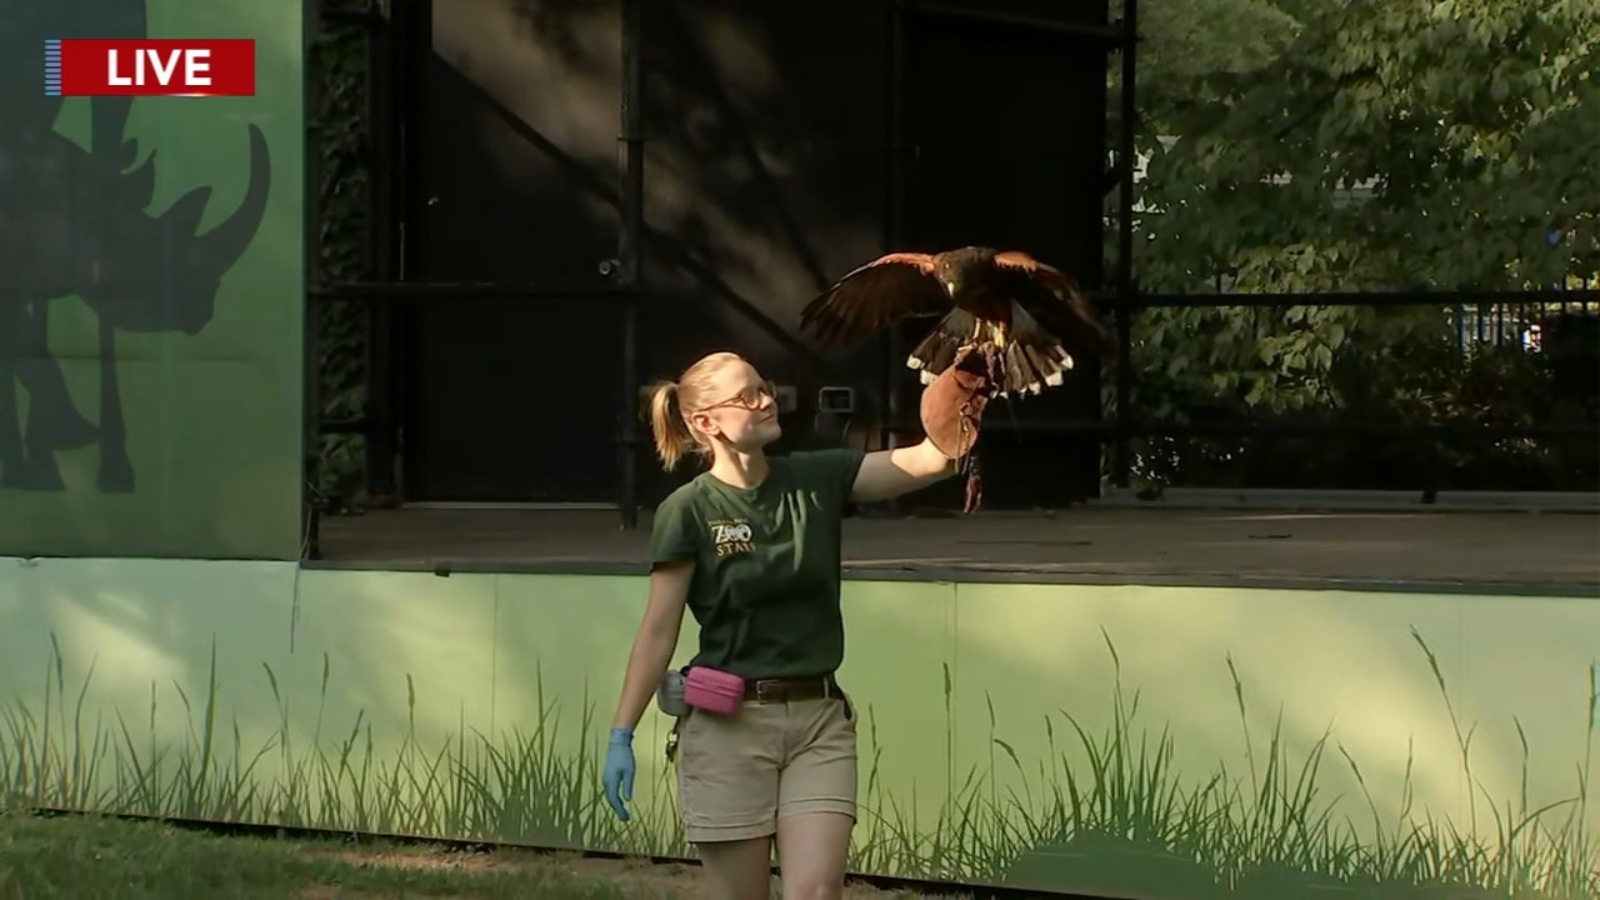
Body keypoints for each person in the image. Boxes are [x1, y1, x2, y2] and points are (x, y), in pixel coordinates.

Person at [600, 350, 969, 900]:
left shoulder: (816, 477)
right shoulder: (688, 509)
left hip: (818, 722)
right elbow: (658, 629)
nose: (767, 400)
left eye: (765, 387)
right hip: (727, 728)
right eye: (747, 395)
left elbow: (932, 461)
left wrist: (963, 397)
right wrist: (622, 734)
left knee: (817, 891)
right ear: (706, 422)